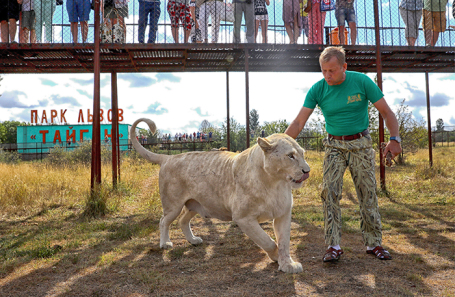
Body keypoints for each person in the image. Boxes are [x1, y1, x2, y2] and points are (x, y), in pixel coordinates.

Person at [285, 46, 402, 263]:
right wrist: (281, 145)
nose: (327, 75)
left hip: (361, 144)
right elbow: (299, 122)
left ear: (344, 67)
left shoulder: (362, 82)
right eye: (324, 71)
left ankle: (373, 242)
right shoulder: (318, 89)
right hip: (334, 146)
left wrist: (395, 139)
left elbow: (386, 112)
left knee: (367, 193)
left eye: (332, 71)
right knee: (329, 191)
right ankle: (333, 245)